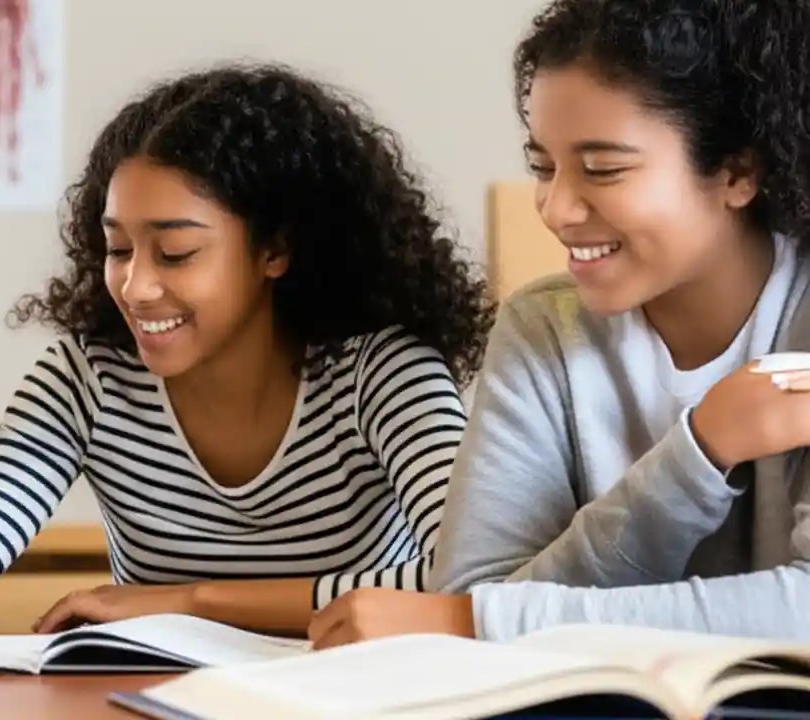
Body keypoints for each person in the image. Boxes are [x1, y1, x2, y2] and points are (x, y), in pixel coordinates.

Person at [0, 62, 494, 654]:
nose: (134, 286)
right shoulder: (89, 378)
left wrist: (189, 601)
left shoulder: (381, 373)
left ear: (275, 251)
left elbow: (467, 576)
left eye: (176, 253)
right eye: (116, 249)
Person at [308, 0, 810, 649]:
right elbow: (472, 592)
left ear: (738, 173)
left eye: (602, 169)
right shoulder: (543, 330)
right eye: (542, 166)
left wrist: (482, 621)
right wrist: (699, 452)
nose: (555, 206)